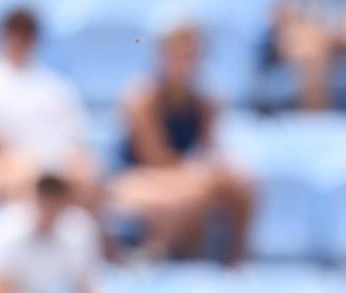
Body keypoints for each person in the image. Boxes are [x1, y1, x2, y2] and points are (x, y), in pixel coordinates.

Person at [108, 19, 255, 263]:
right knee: (194, 195)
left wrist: (218, 172)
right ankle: (163, 258)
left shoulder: (205, 103)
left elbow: (211, 151)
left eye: (191, 54)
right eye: (177, 53)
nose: (184, 62)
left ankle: (235, 264)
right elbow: (154, 159)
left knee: (239, 187)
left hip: (180, 178)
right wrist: (202, 176)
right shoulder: (141, 98)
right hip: (136, 179)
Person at [0, 7, 97, 200]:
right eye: (14, 32)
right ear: (2, 35)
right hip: (8, 170)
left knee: (89, 177)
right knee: (25, 174)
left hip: (56, 170)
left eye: (26, 34)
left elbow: (78, 141)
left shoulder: (57, 87)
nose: (19, 40)